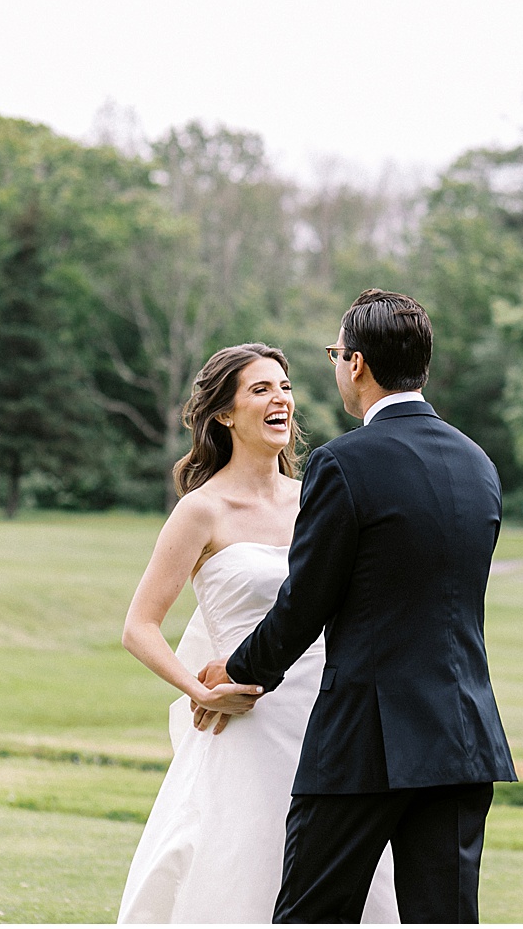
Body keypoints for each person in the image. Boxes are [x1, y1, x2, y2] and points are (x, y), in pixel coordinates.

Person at [194, 291, 517, 924]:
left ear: (358, 365)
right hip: (460, 736)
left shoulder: (343, 463)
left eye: (337, 354)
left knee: (311, 915)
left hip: (363, 740)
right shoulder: (477, 464)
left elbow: (304, 602)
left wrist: (238, 667)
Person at [117, 343, 398, 925]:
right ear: (225, 413)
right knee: (244, 875)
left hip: (332, 719)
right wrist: (200, 690)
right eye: (261, 389)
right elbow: (139, 626)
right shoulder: (203, 510)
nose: (281, 400)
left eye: (286, 388)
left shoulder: (318, 497)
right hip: (249, 727)